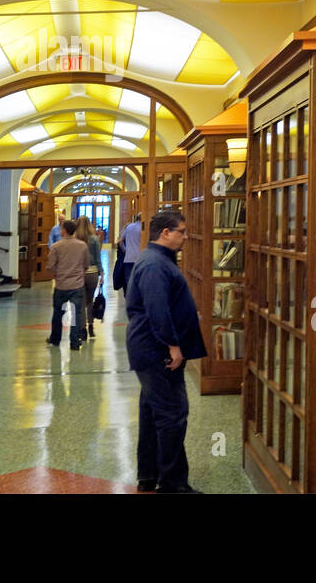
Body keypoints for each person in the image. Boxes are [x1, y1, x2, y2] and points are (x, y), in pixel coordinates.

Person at [126, 209, 207, 493]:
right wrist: (173, 344)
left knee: (152, 412)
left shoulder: (157, 260)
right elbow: (157, 308)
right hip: (155, 350)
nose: (185, 237)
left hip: (151, 348)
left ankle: (149, 475)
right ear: (165, 233)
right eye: (181, 232)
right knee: (173, 413)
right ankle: (173, 483)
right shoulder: (154, 265)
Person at [46, 219, 90, 350]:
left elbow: (50, 266)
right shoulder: (82, 246)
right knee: (76, 315)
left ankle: (55, 339)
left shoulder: (56, 247)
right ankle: (75, 342)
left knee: (58, 313)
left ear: (63, 230)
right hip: (77, 285)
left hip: (62, 285)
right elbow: (86, 265)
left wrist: (58, 273)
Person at [75, 216, 102, 339]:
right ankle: (91, 326)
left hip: (79, 273)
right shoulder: (95, 239)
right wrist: (101, 273)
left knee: (81, 302)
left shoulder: (76, 239)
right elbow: (97, 258)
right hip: (92, 272)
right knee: (90, 301)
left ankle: (82, 329)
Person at [114, 213, 143, 294]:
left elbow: (120, 241)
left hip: (128, 258)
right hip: (140, 258)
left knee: (129, 281)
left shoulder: (129, 227)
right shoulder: (143, 228)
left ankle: (129, 300)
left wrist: (125, 250)